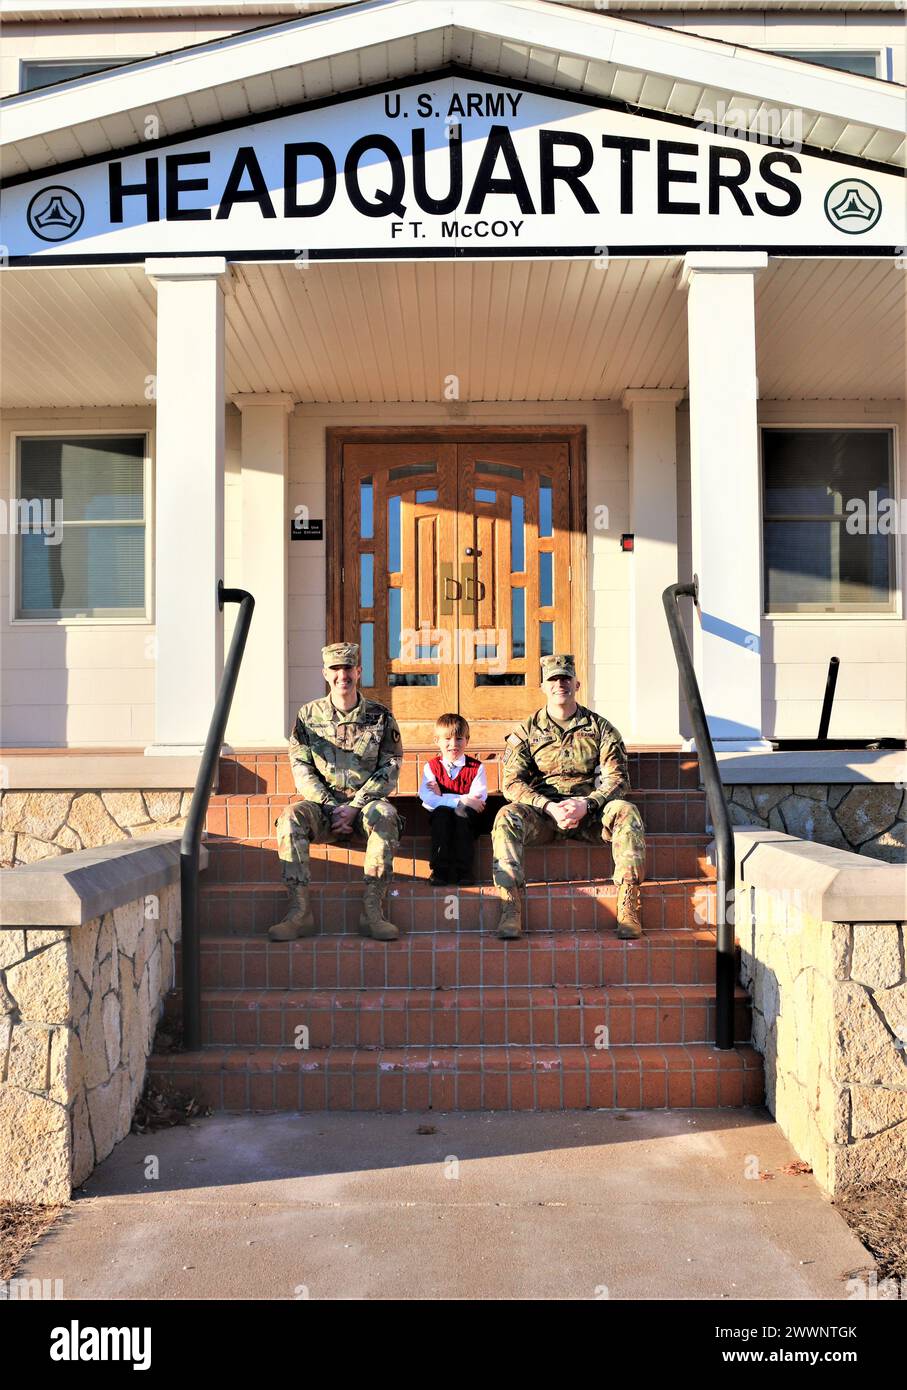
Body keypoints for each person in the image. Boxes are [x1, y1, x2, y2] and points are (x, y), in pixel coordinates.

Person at [491, 653, 646, 941]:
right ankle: (510, 907)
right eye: (553, 679)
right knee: (506, 816)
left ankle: (628, 906)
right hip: (544, 818)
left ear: (577, 683)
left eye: (565, 678)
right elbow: (511, 783)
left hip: (590, 815)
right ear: (543, 686)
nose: (559, 684)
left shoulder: (600, 728)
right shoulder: (527, 731)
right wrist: (548, 806)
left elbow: (618, 779)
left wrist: (587, 804)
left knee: (625, 810)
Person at [271, 641, 404, 942]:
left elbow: (391, 766)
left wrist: (355, 805)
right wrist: (331, 806)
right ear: (325, 673)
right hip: (322, 809)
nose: (342, 675)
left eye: (347, 668)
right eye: (335, 669)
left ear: (358, 671)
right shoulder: (308, 717)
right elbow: (301, 768)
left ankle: (372, 912)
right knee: (290, 817)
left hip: (364, 810)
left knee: (386, 814)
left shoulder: (380, 716)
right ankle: (299, 912)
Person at [418, 713, 488, 885]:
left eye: (459, 738)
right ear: (437, 741)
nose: (453, 744)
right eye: (447, 739)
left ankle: (464, 871)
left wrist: (442, 796)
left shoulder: (476, 767)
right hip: (441, 820)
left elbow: (477, 799)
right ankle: (440, 871)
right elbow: (426, 798)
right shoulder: (431, 767)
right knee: (442, 813)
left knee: (462, 813)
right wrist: (459, 799)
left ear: (467, 740)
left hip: (468, 821)